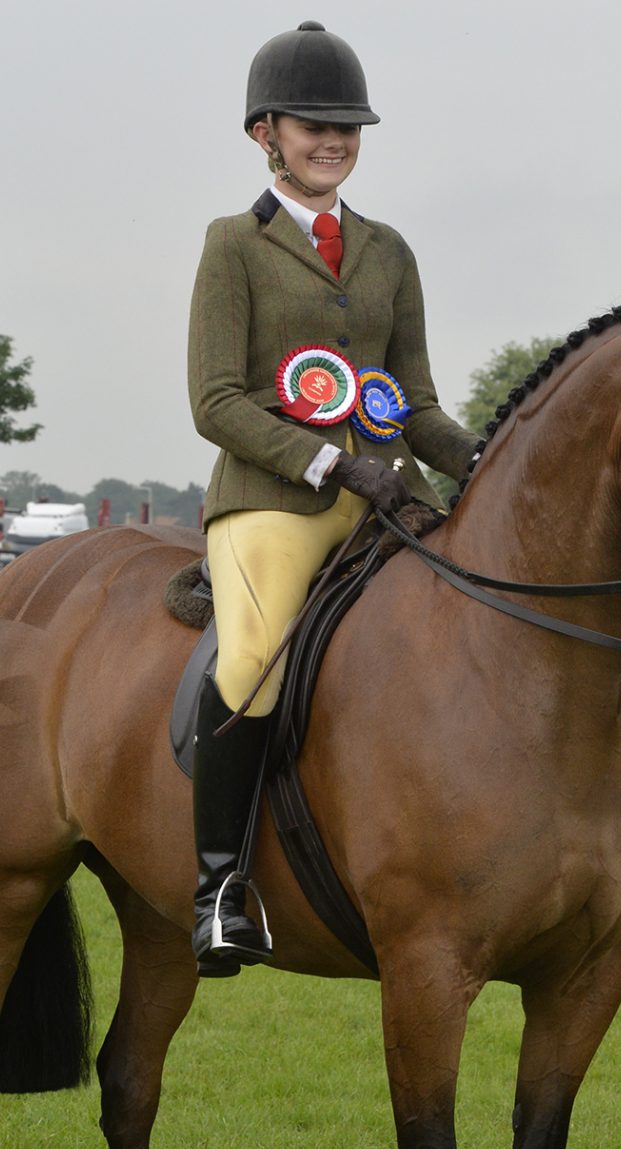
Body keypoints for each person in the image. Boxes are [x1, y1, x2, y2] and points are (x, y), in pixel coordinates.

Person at [186, 20, 479, 977]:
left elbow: (419, 403)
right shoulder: (235, 245)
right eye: (315, 125)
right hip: (273, 500)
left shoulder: (389, 251)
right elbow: (215, 401)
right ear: (264, 133)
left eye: (348, 125)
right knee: (254, 662)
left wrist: (483, 463)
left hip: (396, 491)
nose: (334, 140)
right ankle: (222, 886)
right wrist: (328, 463)